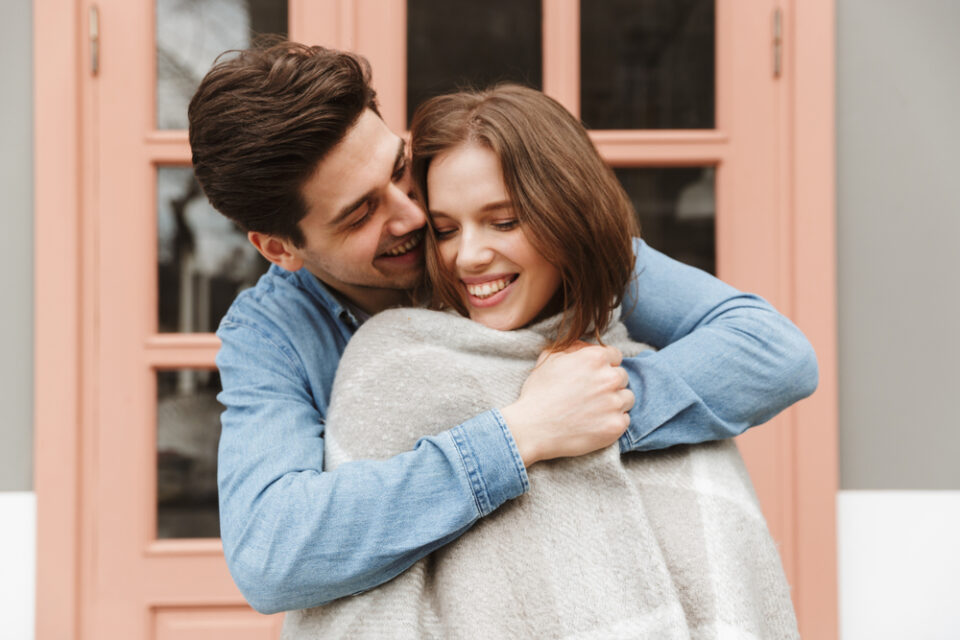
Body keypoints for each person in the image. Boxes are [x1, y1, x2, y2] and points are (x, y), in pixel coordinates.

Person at [186, 41, 818, 615]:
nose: (414, 215)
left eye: (399, 168)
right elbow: (272, 553)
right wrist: (519, 434)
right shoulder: (271, 334)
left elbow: (771, 352)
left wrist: (596, 411)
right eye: (360, 214)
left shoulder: (530, 243)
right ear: (280, 248)